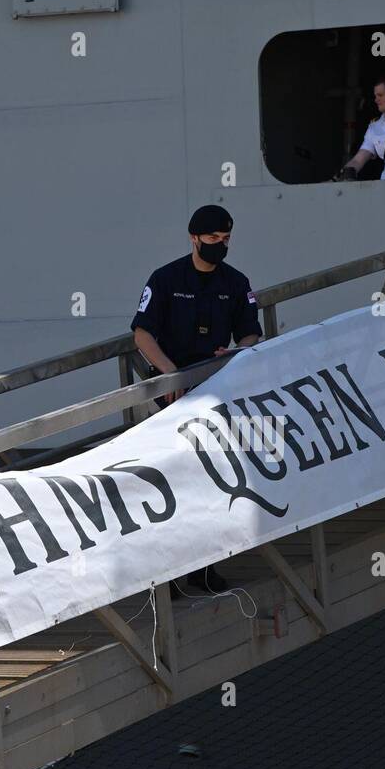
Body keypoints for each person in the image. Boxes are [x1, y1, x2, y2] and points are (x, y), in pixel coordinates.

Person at [131, 204, 261, 594]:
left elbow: (252, 333)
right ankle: (169, 574)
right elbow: (142, 334)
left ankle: (206, 568)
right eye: (212, 240)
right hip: (170, 398)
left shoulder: (236, 283)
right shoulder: (167, 279)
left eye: (225, 239)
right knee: (172, 486)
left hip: (214, 394)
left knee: (215, 484)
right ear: (194, 238)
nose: (220, 246)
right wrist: (171, 373)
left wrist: (237, 353)